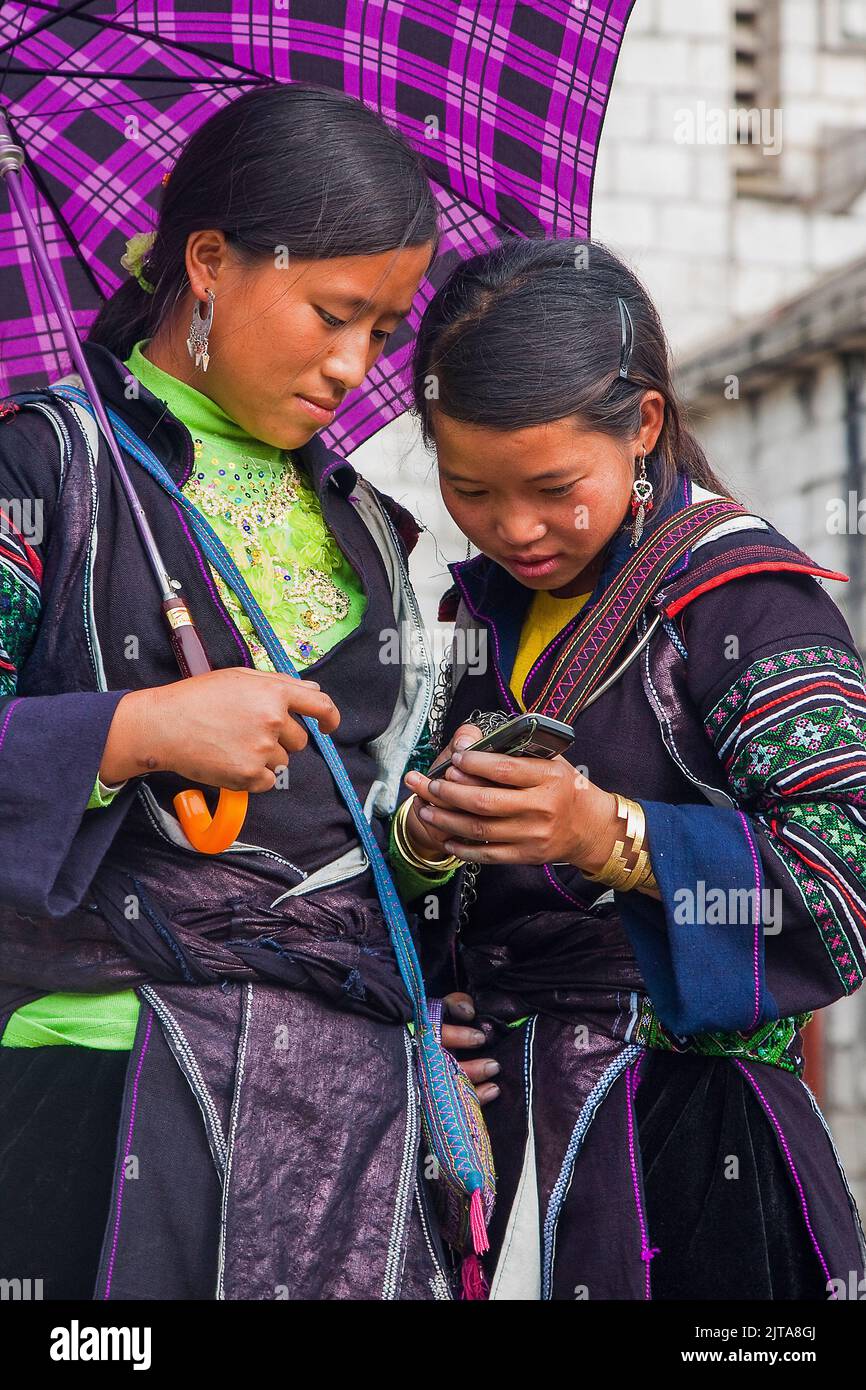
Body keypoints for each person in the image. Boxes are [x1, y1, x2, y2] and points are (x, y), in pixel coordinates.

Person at [0, 83, 491, 1301]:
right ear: (208, 263)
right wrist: (131, 729)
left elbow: (367, 825)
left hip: (353, 1109)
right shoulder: (47, 468)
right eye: (332, 313)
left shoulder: (379, 537)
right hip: (102, 1083)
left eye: (381, 332)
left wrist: (434, 845)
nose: (351, 365)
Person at [390, 236, 866, 1299]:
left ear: (643, 424)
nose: (514, 528)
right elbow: (423, 893)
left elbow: (846, 879)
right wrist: (426, 850)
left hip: (686, 1152)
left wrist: (604, 833)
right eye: (469, 488)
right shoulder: (477, 615)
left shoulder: (744, 604)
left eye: (551, 486)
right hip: (483, 1148)